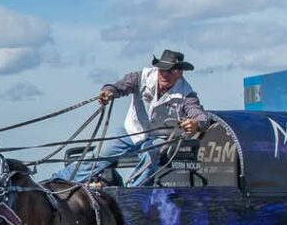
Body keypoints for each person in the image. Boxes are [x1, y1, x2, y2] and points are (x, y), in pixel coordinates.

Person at [56, 49, 211, 186]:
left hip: (162, 138)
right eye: (162, 69)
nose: (165, 74)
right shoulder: (141, 77)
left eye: (170, 71)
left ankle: (132, 193)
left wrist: (195, 123)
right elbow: (120, 86)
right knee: (100, 154)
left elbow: (200, 116)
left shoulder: (186, 94)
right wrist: (109, 92)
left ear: (180, 73)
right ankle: (58, 181)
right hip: (132, 130)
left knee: (149, 153)